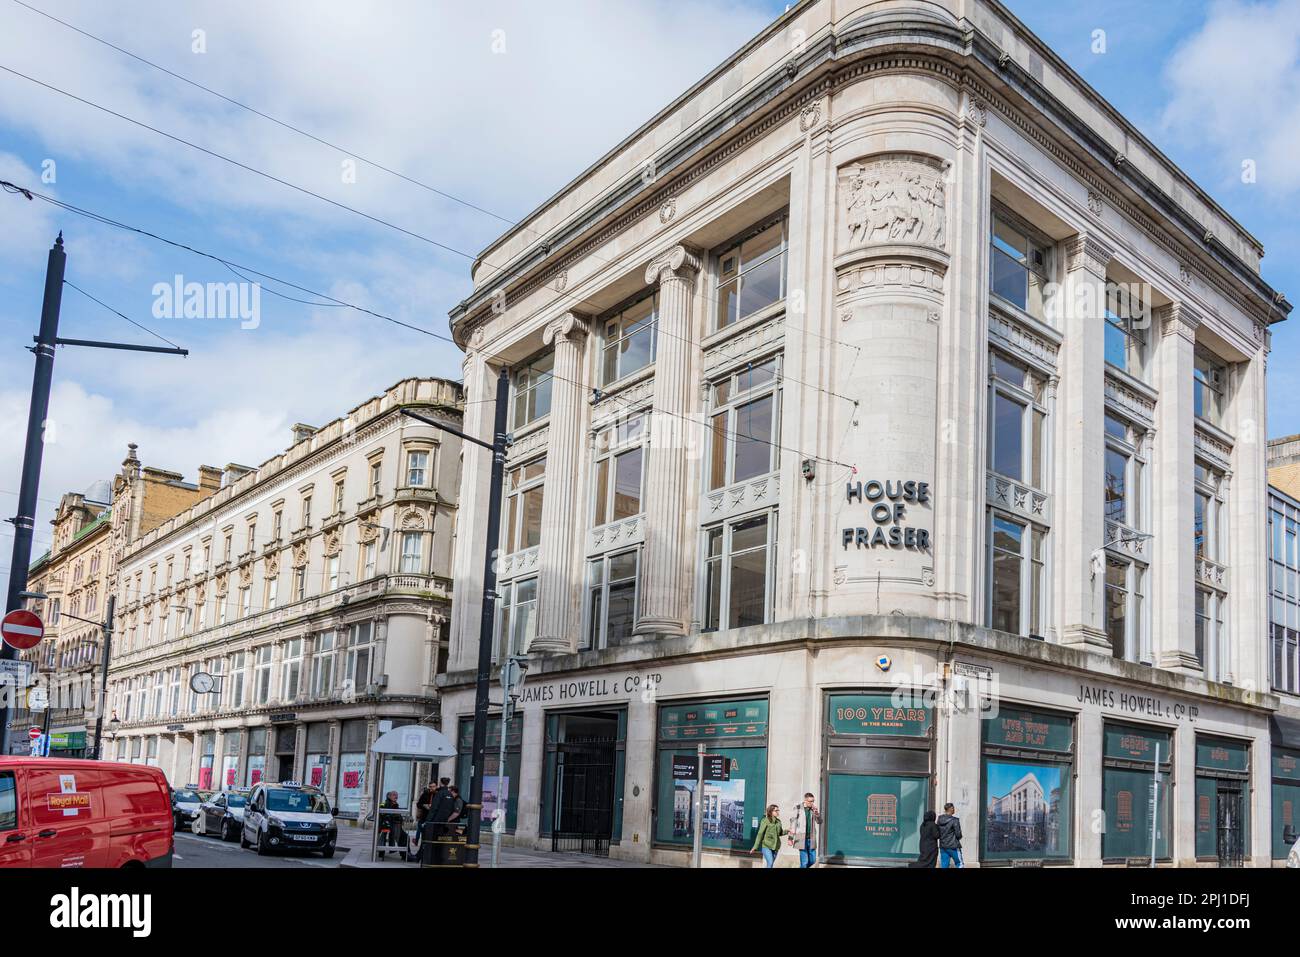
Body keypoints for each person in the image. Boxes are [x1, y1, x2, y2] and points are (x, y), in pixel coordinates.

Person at [787, 792, 821, 868]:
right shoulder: (798, 808)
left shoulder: (813, 810)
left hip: (811, 838)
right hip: (801, 838)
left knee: (813, 861)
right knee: (804, 862)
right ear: (805, 800)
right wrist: (790, 838)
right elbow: (793, 824)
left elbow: (819, 821)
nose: (812, 803)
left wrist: (816, 813)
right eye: (810, 801)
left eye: (813, 801)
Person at [937, 802, 963, 868]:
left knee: (944, 865)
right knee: (959, 863)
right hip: (953, 846)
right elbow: (958, 834)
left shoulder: (939, 819)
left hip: (943, 846)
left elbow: (938, 832)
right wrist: (959, 837)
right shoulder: (955, 820)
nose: (954, 809)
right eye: (953, 808)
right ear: (951, 809)